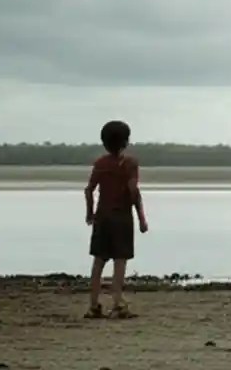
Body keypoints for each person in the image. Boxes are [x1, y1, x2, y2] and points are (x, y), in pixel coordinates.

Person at [83, 120, 149, 319]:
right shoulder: (129, 164)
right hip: (122, 217)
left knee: (99, 261)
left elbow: (89, 190)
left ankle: (93, 305)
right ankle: (117, 303)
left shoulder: (100, 164)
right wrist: (142, 218)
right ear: (126, 142)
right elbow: (133, 191)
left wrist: (90, 213)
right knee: (120, 262)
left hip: (102, 217)